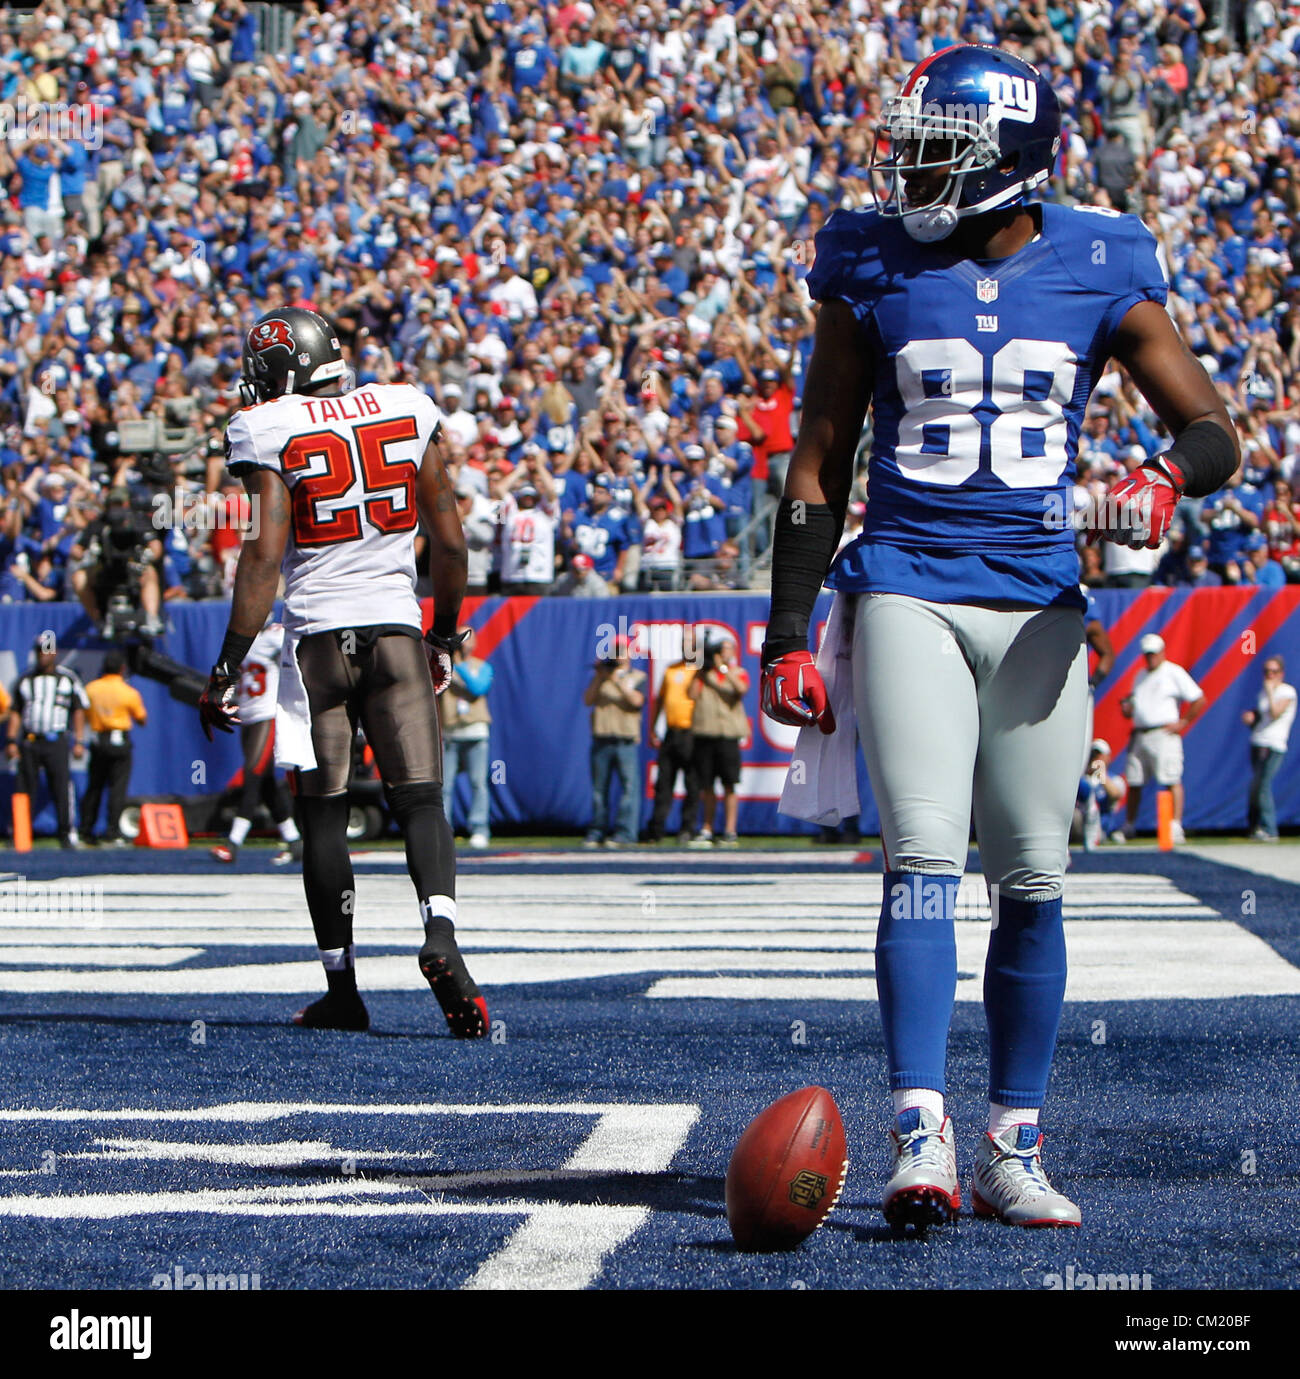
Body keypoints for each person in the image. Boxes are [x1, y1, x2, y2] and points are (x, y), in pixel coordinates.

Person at [758, 46, 1239, 1232]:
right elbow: (820, 461)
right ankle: (918, 1125)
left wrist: (1161, 479)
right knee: (923, 860)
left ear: (1013, 165)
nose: (909, 167)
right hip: (909, 581)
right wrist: (783, 629)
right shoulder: (867, 258)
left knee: (1032, 876)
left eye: (941, 150)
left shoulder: (1098, 258)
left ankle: (1010, 1142)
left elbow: (1212, 432)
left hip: (1037, 597)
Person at [197, 306, 488, 1039]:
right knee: (421, 800)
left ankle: (342, 986)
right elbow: (449, 542)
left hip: (318, 644)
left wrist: (228, 662)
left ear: (284, 373)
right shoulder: (404, 403)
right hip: (394, 630)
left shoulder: (269, 427)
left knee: (323, 813)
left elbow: (263, 557)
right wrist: (444, 633)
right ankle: (442, 935)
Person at [209, 618, 303, 866]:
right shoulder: (242, 645)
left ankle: (233, 843)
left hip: (266, 715)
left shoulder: (272, 637)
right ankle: (295, 843)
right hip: (248, 717)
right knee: (266, 783)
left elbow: (295, 646)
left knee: (252, 774)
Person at [1119, 634, 1206, 845]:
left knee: (1170, 778)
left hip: (1164, 734)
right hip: (1140, 734)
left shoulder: (1173, 672)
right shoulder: (1139, 675)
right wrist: (1128, 709)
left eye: (1154, 653)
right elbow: (1133, 708)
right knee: (1134, 781)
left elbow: (1198, 698)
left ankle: (1175, 825)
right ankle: (1129, 825)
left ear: (1162, 652)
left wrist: (1183, 722)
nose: (1151, 658)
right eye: (1147, 654)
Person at [6, 630, 89, 848]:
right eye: (39, 651)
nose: (42, 656)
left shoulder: (67, 679)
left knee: (61, 787)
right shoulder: (25, 680)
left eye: (46, 651)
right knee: (25, 789)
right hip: (31, 740)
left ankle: (66, 833)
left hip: (57, 740)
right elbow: (16, 711)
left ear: (54, 653)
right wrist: (11, 740)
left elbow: (79, 710)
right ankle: (21, 835)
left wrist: (79, 740)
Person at [582, 635, 645, 847]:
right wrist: (601, 676)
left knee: (629, 788)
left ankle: (625, 833)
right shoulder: (600, 678)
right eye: (614, 650)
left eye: (622, 650)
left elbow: (636, 702)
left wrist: (617, 680)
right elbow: (587, 700)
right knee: (599, 790)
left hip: (625, 739)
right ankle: (597, 831)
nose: (618, 654)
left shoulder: (637, 676)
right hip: (602, 738)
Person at [80, 649, 147, 847]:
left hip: (99, 740)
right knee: (117, 788)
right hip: (119, 741)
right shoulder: (128, 692)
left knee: (94, 787)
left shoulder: (91, 688)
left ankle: (86, 830)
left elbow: (83, 713)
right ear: (122, 668)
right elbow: (141, 718)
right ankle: (112, 832)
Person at [688, 635, 750, 848]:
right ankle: (707, 828)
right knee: (706, 785)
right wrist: (701, 670)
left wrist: (722, 669)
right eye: (719, 650)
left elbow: (740, 690)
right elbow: (691, 694)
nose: (722, 653)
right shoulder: (703, 675)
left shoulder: (737, 672)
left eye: (726, 649)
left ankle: (730, 830)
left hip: (728, 735)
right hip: (705, 734)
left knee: (729, 784)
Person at [439, 626, 494, 849]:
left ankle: (480, 828)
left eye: (467, 638)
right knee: (445, 786)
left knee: (478, 783)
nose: (463, 642)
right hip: (451, 732)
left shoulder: (483, 666)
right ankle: (444, 830)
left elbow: (478, 688)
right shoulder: (443, 667)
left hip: (475, 732)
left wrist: (459, 664)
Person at [644, 626, 699, 844]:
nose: (687, 648)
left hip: (692, 732)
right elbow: (660, 700)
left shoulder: (699, 671)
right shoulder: (671, 669)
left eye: (691, 644)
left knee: (692, 784)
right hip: (671, 731)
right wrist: (652, 727)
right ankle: (656, 828)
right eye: (684, 644)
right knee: (664, 783)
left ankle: (687, 828)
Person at [1243, 655, 1296, 841]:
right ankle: (1255, 826)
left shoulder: (1286, 692)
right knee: (1255, 787)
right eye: (1266, 671)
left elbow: (1275, 713)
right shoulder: (1263, 694)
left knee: (1264, 786)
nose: (1269, 675)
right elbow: (1261, 719)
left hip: (1274, 745)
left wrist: (1271, 691)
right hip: (1258, 741)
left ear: (1281, 673)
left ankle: (1270, 828)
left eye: (1273, 671)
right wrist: (1251, 718)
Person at [1074, 739, 1127, 850]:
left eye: (1099, 755)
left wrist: (1100, 774)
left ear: (1108, 757)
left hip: (1101, 827)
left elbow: (1115, 794)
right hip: (1078, 824)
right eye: (1093, 755)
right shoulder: (1082, 779)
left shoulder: (1115, 780)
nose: (1096, 758)